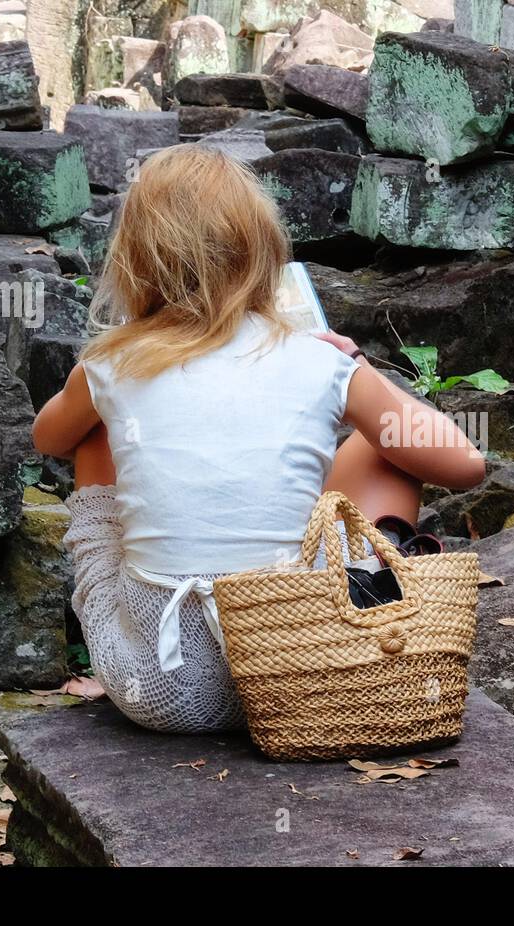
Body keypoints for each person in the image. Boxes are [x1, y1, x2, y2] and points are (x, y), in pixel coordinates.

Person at [31, 145, 485, 733]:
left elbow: (49, 437)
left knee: (93, 432)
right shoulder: (317, 362)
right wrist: (358, 367)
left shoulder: (112, 365)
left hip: (157, 681)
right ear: (262, 255)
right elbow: (467, 465)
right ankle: (373, 578)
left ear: (136, 262)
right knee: (385, 445)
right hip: (301, 668)